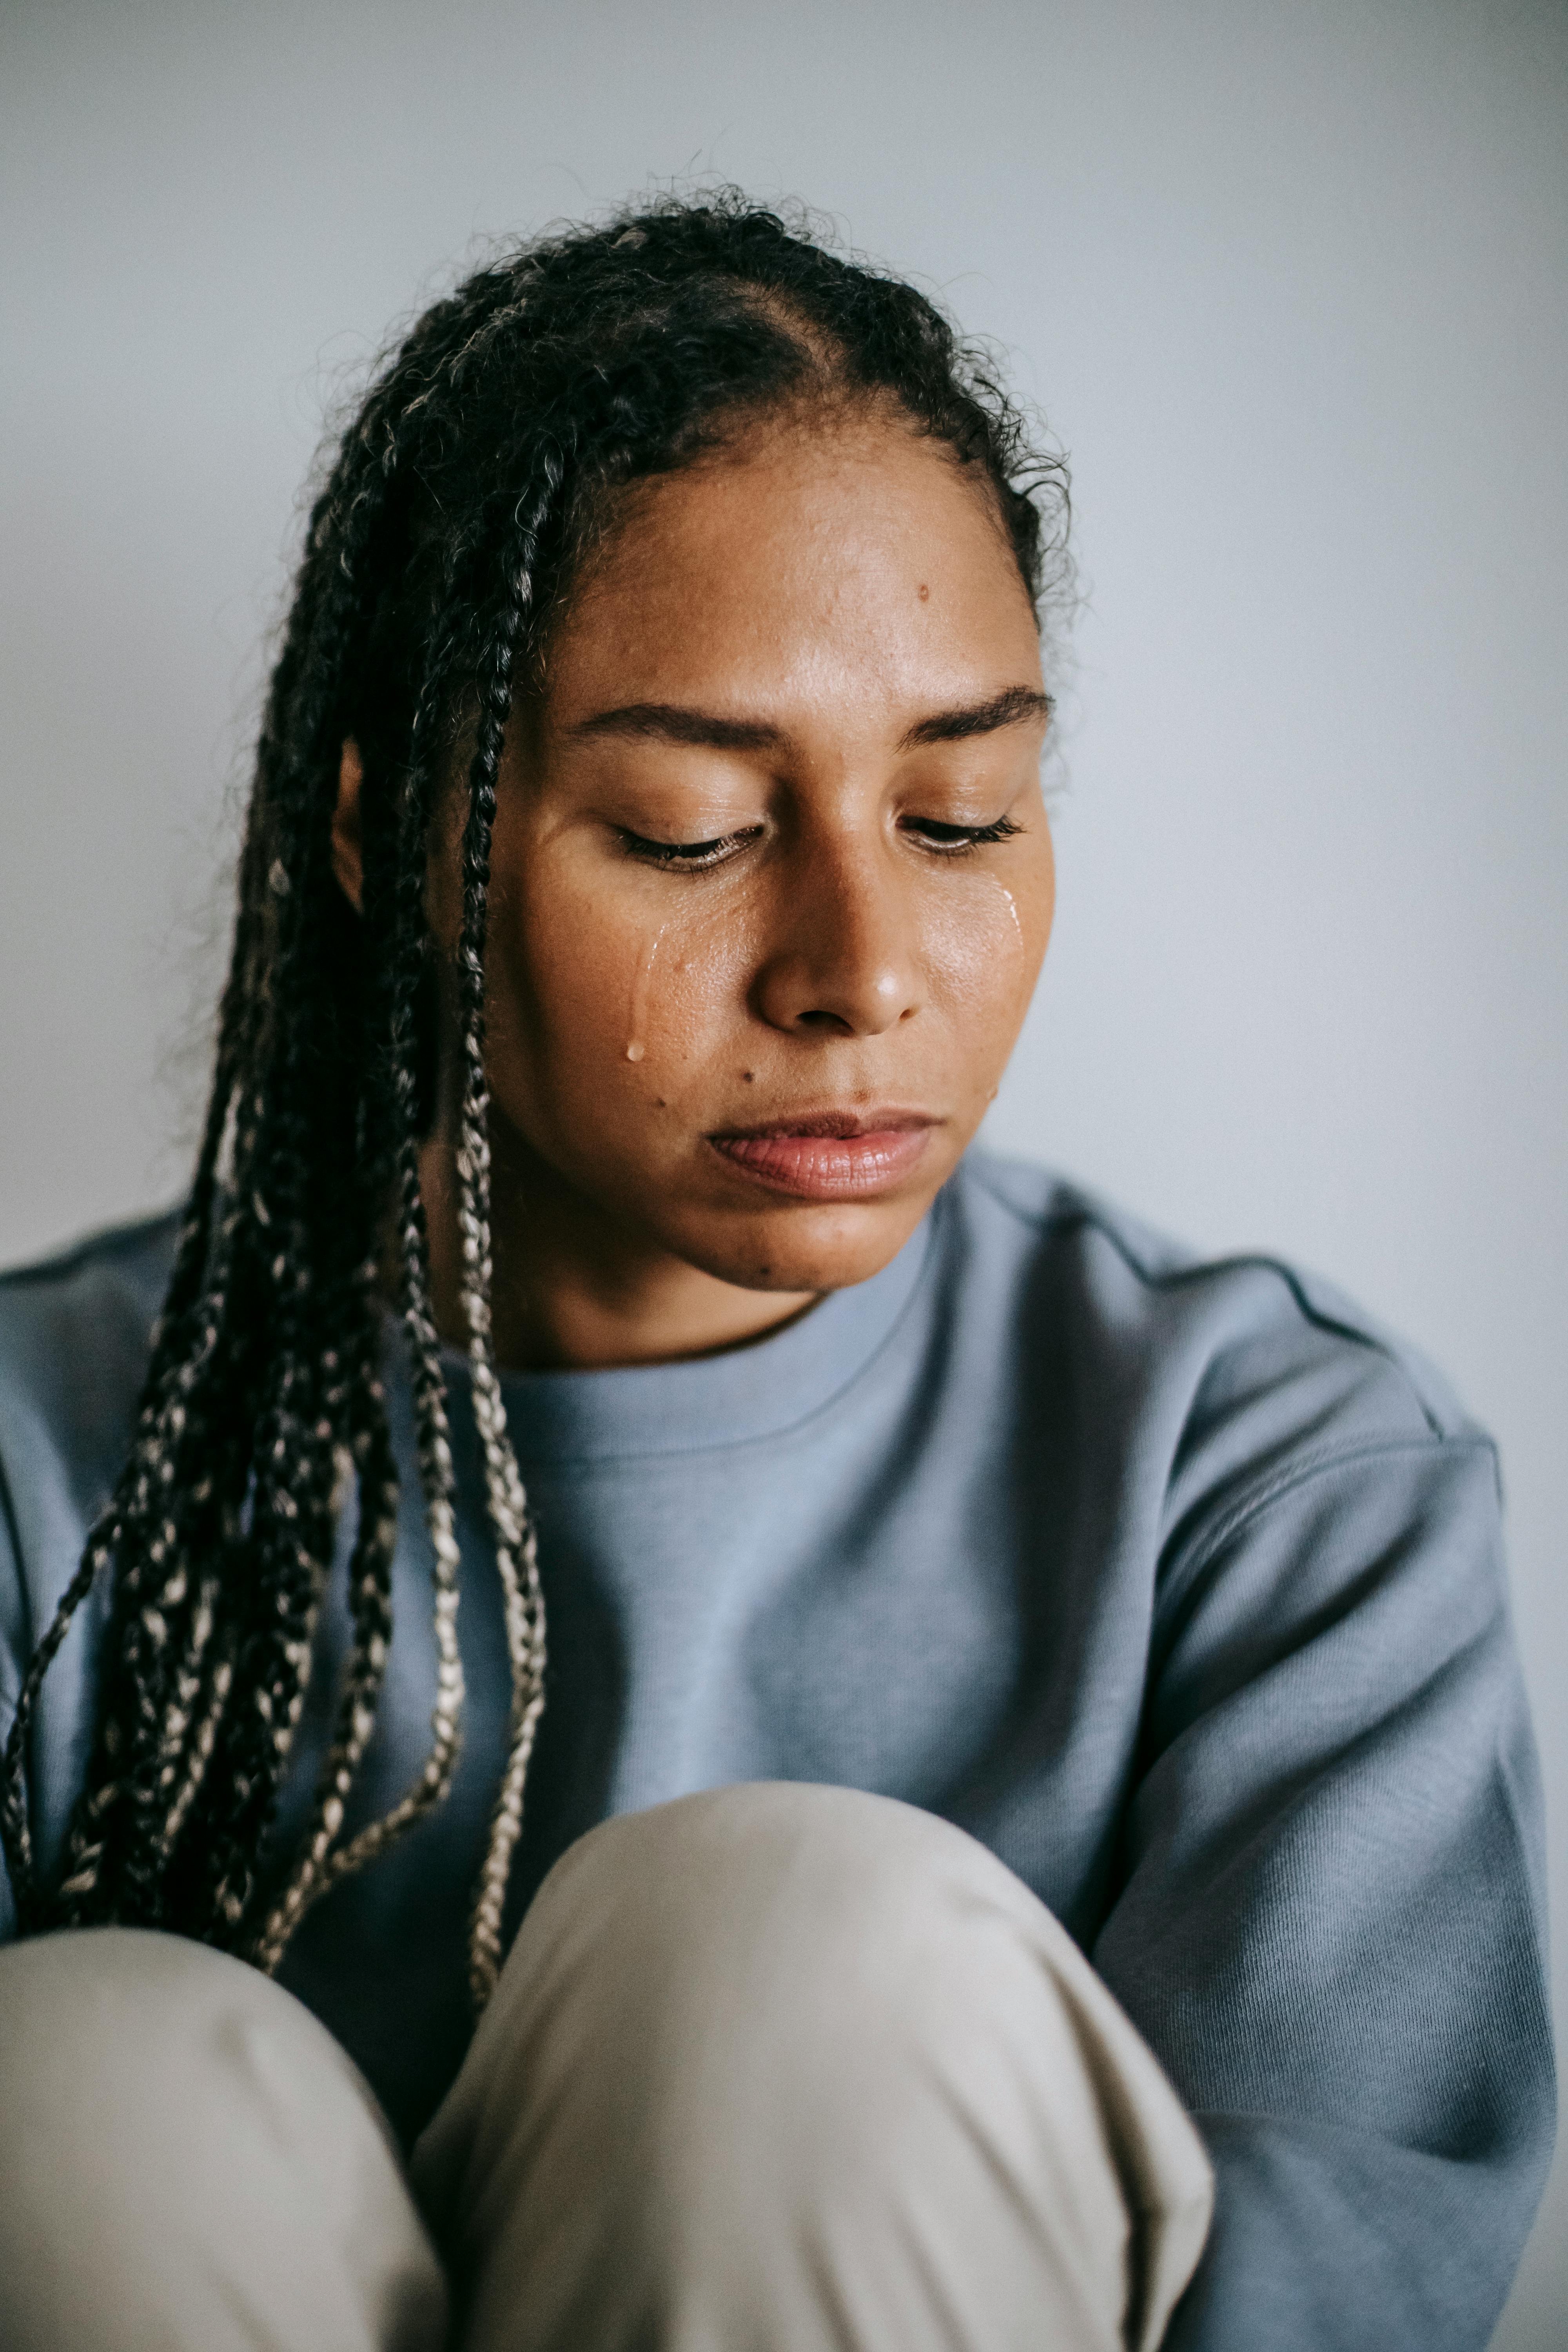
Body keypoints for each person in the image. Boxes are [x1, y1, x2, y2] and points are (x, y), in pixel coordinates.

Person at [0, 194, 1552, 2352]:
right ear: (389, 837)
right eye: (691, 834)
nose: (861, 974)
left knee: (802, 1965)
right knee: (77, 2090)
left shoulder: (1269, 1487)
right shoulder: (39, 1468)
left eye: (962, 815)